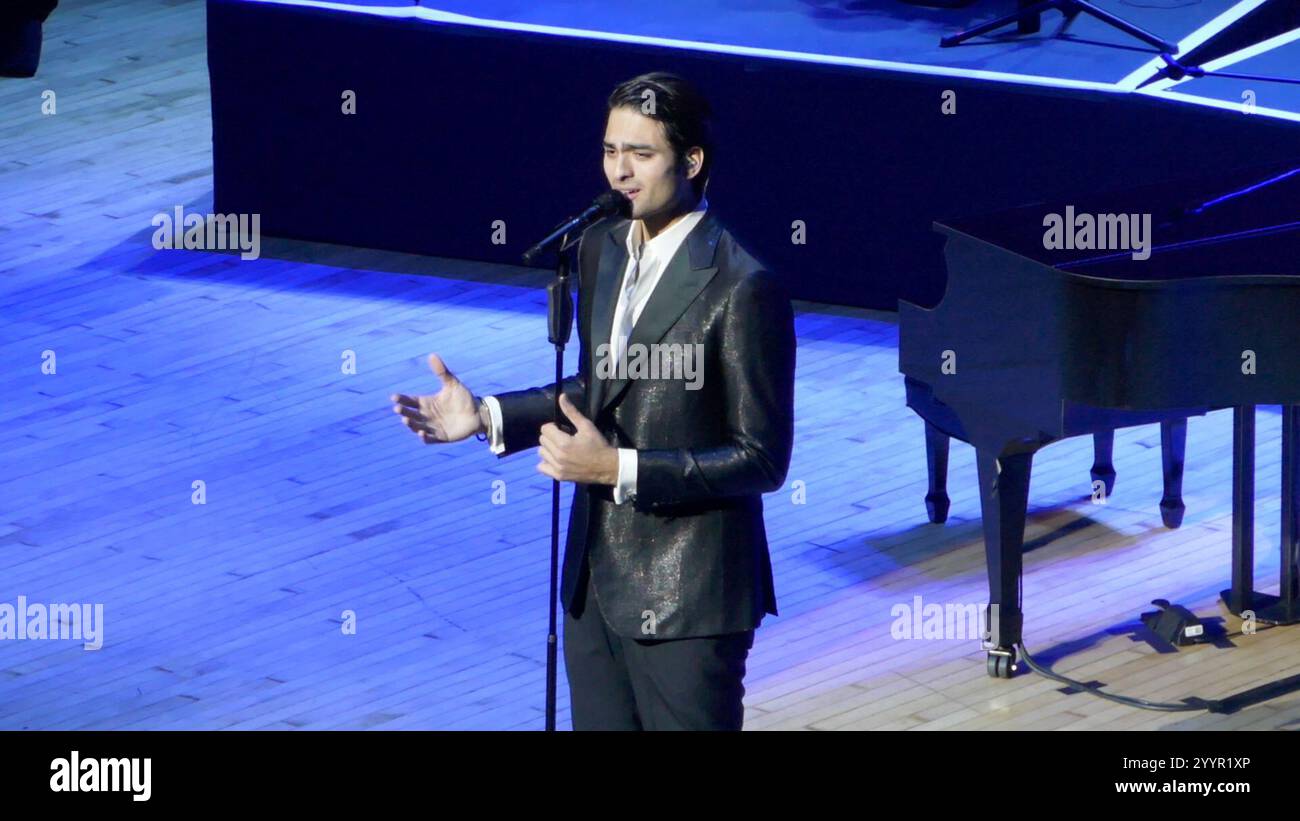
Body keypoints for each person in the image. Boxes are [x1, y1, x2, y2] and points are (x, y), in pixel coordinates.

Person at [392, 72, 796, 730]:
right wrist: (488, 416)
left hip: (687, 600)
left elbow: (761, 457)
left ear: (692, 160)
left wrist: (618, 469)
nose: (620, 172)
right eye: (611, 151)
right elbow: (598, 389)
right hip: (593, 584)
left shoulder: (742, 286)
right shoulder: (600, 249)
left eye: (641, 154)